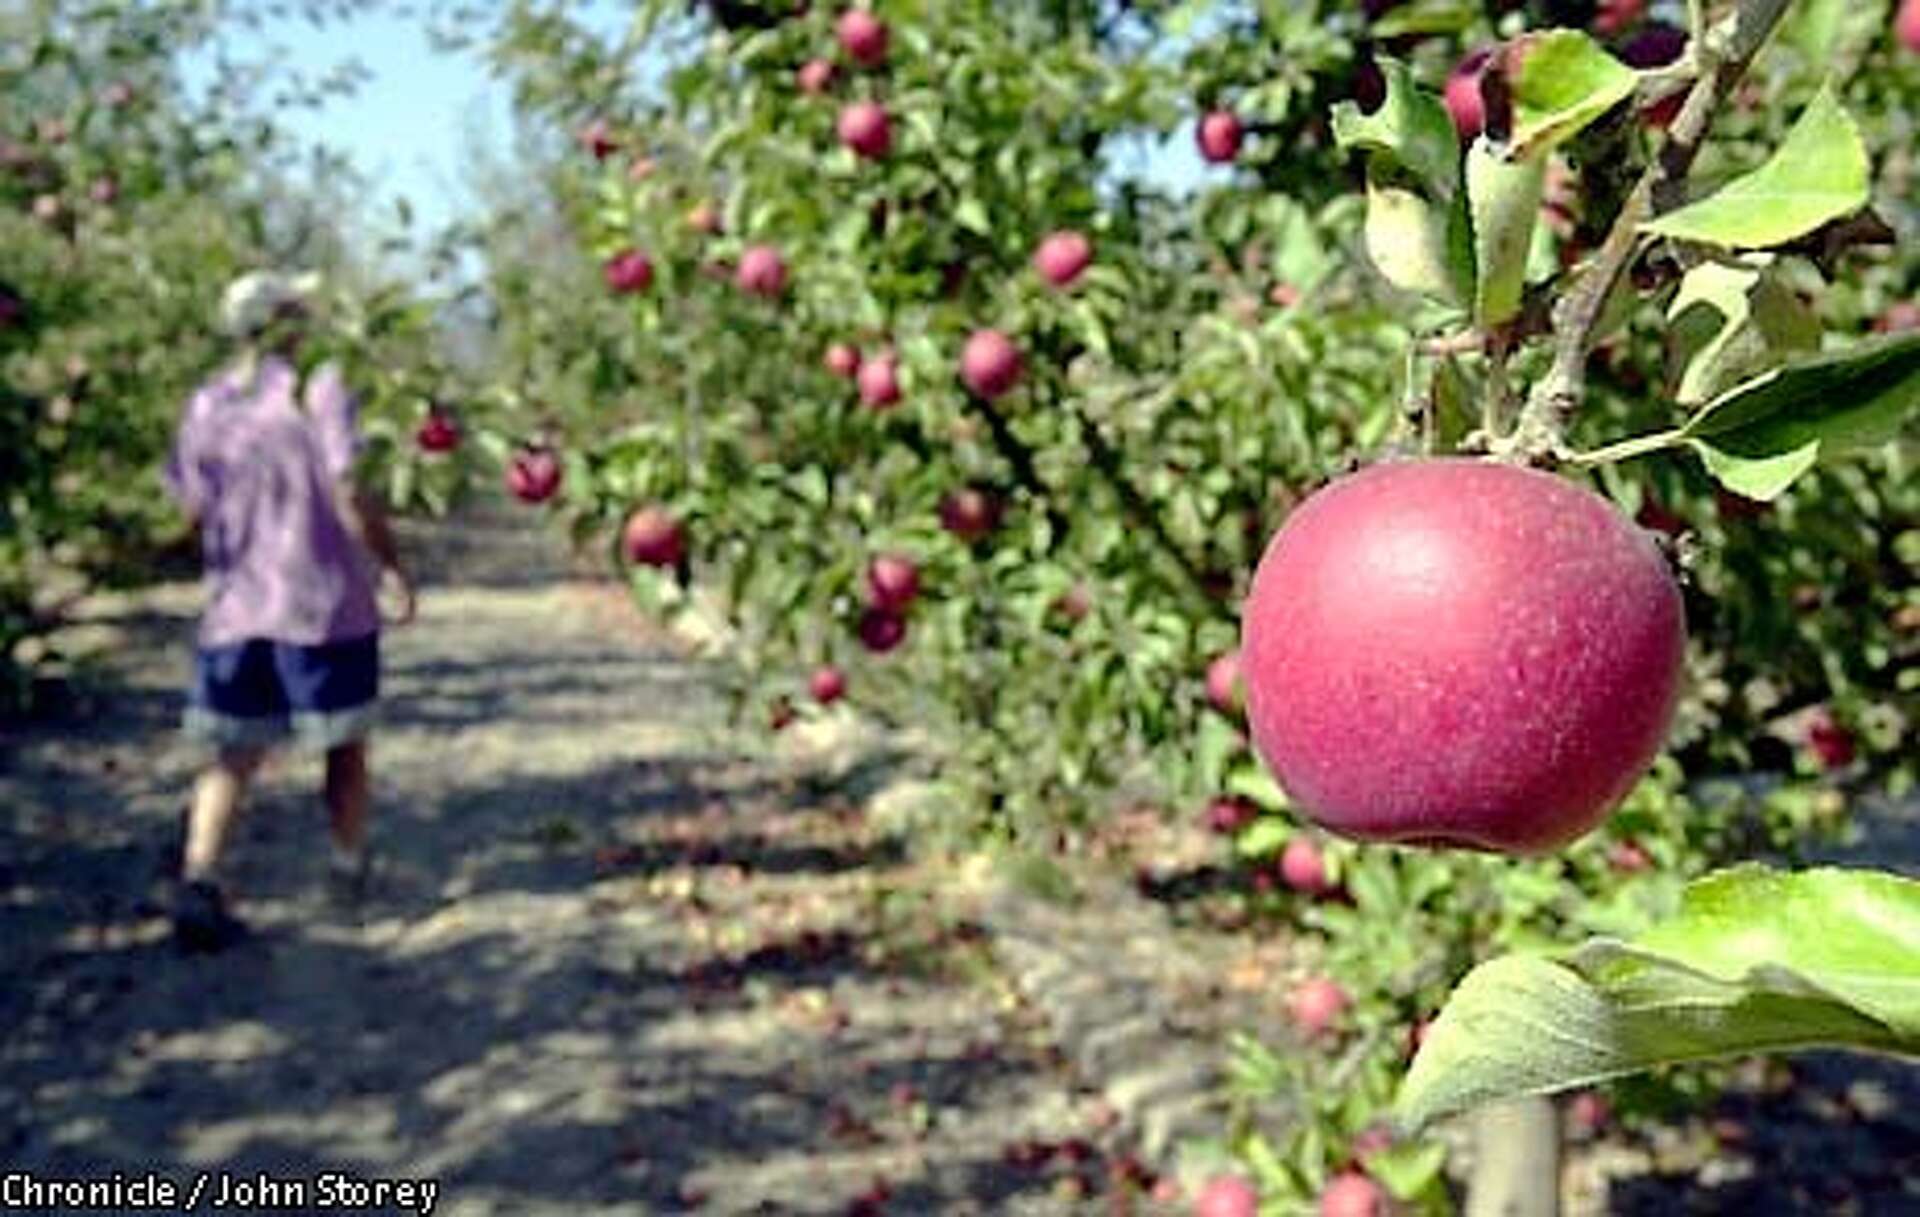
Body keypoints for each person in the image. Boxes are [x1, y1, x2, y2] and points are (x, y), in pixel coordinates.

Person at [164, 270, 415, 952]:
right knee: (343, 743)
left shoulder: (208, 404)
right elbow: (347, 488)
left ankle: (201, 875)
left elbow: (188, 508)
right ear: (286, 322)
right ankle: (345, 868)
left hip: (238, 609)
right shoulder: (319, 388)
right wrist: (389, 563)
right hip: (321, 605)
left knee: (232, 752)